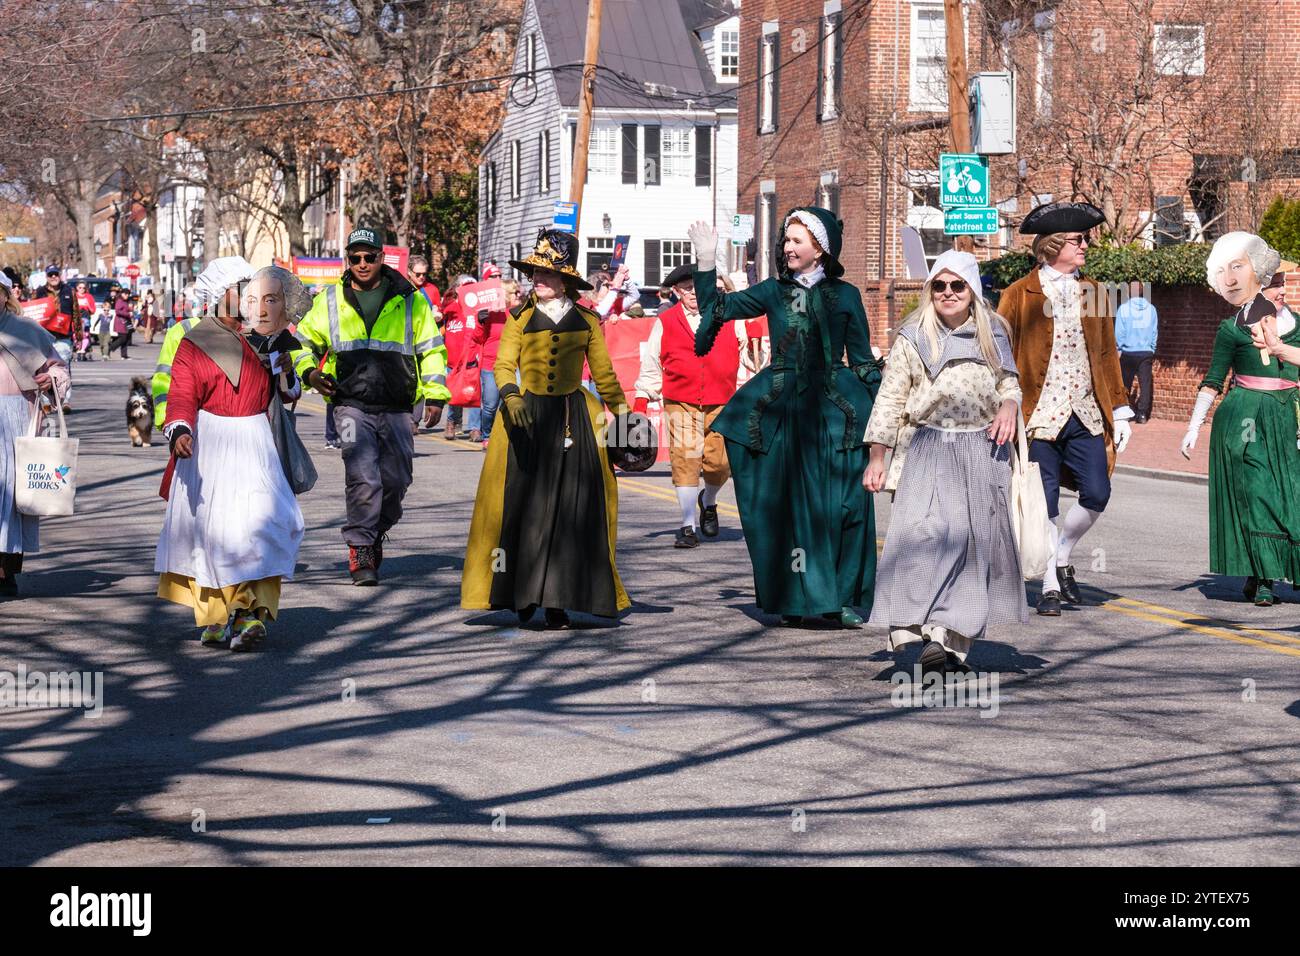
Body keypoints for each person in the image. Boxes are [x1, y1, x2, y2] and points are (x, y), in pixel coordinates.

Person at [687, 208, 883, 628]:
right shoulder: (773, 291)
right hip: (779, 407)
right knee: (786, 509)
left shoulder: (846, 296)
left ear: (821, 248)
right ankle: (794, 596)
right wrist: (707, 263)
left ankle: (841, 598)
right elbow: (715, 308)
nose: (788, 247)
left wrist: (887, 404)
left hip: (835, 411)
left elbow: (863, 360)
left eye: (797, 241)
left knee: (845, 506)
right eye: (787, 240)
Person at [461, 228, 635, 627]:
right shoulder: (520, 318)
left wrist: (624, 413)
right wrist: (511, 396)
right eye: (534, 274)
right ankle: (521, 593)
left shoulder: (588, 319)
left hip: (574, 419)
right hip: (526, 418)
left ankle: (557, 601)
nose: (536, 280)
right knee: (523, 507)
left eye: (545, 274)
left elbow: (604, 373)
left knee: (570, 511)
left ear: (566, 279)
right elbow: (503, 364)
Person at [864, 251, 1026, 674]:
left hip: (982, 449)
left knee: (970, 550)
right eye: (940, 285)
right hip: (926, 449)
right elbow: (889, 401)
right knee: (925, 538)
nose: (948, 293)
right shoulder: (913, 337)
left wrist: (1009, 406)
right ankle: (922, 628)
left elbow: (1010, 382)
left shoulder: (993, 333)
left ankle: (947, 641)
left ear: (972, 290)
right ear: (929, 291)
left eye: (957, 286)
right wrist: (876, 458)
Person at [155, 264, 304, 651]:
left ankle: (250, 612)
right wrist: (180, 429)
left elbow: (289, 394)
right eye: (245, 291)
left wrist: (287, 372)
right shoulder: (196, 341)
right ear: (221, 295)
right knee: (214, 533)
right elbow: (182, 391)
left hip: (256, 441)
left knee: (261, 524)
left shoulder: (270, 335)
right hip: (211, 445)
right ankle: (218, 618)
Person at [292, 226, 450, 585]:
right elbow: (301, 343)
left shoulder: (410, 299)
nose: (362, 263)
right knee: (362, 475)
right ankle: (360, 547)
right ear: (348, 260)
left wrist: (437, 394)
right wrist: (310, 375)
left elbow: (431, 349)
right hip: (349, 404)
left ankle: (375, 531)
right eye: (355, 257)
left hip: (397, 405)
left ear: (382, 258)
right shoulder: (330, 299)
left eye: (369, 257)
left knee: (396, 480)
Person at [998, 201, 1133, 617]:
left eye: (1085, 239)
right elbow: (1001, 351)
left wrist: (1122, 409)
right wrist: (1003, 403)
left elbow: (1108, 353)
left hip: (1086, 411)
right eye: (1079, 240)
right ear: (1053, 245)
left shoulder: (1094, 292)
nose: (1086, 246)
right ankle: (1051, 587)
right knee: (1047, 501)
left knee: (1097, 491)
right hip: (1037, 416)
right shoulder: (1019, 294)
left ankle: (1060, 554)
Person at [1180, 234, 1300, 607]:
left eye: (1280, 282)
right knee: (1261, 493)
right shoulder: (1231, 329)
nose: (1277, 289)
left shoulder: (1297, 325)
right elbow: (1213, 381)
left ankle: (1274, 569)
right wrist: (1193, 427)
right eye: (1270, 282)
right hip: (1246, 417)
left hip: (1288, 414)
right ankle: (1265, 579)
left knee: (1291, 495)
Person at [633, 262, 749, 548]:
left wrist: (749, 396)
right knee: (685, 460)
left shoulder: (730, 317)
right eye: (687, 288)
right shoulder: (666, 321)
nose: (694, 293)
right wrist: (641, 403)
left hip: (723, 401)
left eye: (699, 287)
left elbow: (747, 362)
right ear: (676, 292)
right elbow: (652, 363)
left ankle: (708, 501)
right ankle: (688, 525)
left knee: (719, 464)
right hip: (680, 401)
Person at [0, 271, 69, 598]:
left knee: (13, 498)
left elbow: (56, 367)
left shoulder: (25, 329)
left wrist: (51, 380)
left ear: (5, 295)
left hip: (18, 418)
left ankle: (7, 570)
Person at [472, 277, 520, 449]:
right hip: (491, 365)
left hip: (513, 365)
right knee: (490, 405)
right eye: (515, 292)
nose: (519, 295)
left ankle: (505, 437)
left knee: (511, 403)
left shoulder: (519, 314)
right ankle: (487, 435)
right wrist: (480, 321)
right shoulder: (491, 314)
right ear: (506, 294)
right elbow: (477, 338)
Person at [439, 274, 481, 440]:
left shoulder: (477, 308)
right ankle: (452, 422)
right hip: (453, 359)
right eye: (465, 287)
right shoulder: (451, 307)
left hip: (471, 358)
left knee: (473, 394)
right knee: (454, 394)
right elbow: (443, 310)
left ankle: (474, 428)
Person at [1115, 279, 1158, 423]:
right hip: (1145, 352)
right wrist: (1152, 348)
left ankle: (1124, 412)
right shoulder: (1151, 309)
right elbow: (1154, 331)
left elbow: (1119, 332)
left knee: (1125, 384)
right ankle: (1142, 414)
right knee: (1145, 384)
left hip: (1128, 352)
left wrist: (1118, 348)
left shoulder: (1124, 309)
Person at [34, 265, 75, 408]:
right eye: (50, 275)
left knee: (64, 368)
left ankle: (65, 401)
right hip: (44, 337)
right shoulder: (39, 292)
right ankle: (46, 402)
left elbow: (75, 312)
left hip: (63, 336)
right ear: (46, 276)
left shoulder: (68, 290)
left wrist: (79, 334)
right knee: (44, 369)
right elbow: (33, 313)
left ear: (59, 275)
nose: (53, 277)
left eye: (55, 274)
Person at [111, 288, 134, 359]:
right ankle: (110, 347)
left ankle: (124, 355)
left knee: (126, 339)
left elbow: (127, 309)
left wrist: (131, 310)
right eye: (125, 294)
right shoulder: (119, 301)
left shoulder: (126, 301)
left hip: (125, 322)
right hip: (120, 322)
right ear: (122, 294)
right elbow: (117, 311)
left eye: (128, 294)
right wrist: (128, 314)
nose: (127, 295)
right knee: (123, 338)